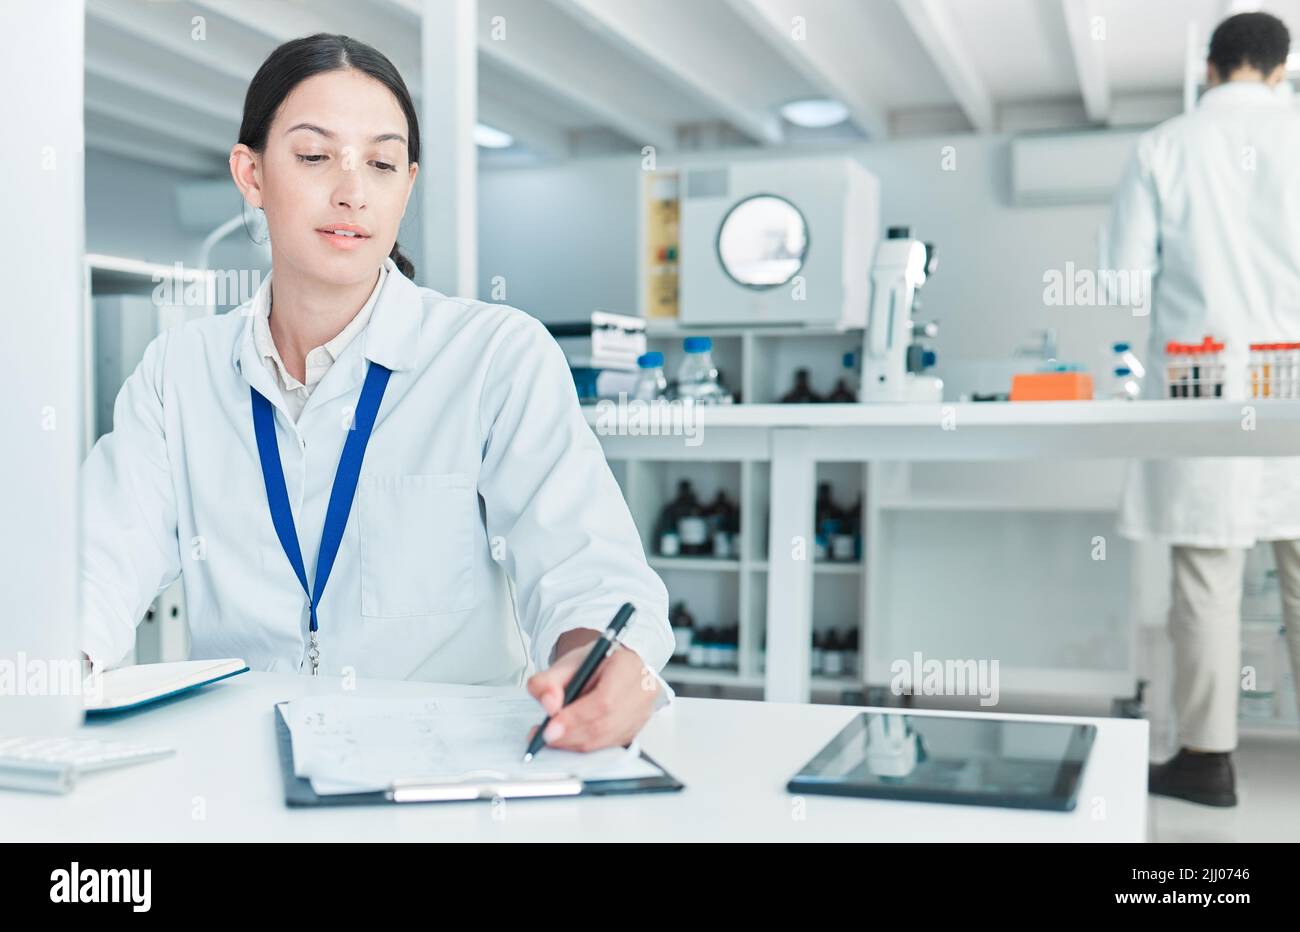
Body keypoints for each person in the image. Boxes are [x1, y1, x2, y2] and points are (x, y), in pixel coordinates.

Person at [79, 33, 674, 753]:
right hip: (239, 763)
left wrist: (601, 665)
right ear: (252, 174)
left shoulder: (493, 357)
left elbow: (587, 566)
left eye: (383, 163)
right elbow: (98, 561)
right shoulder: (178, 374)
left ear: (407, 185)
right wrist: (53, 665)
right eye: (313, 155)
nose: (352, 190)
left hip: (450, 767)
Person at [1109, 11, 1300, 806]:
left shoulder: (1163, 145)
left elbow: (1121, 277)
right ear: (1283, 70)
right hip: (1294, 383)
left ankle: (1206, 761)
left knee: (1206, 578)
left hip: (1203, 381)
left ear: (1211, 67)